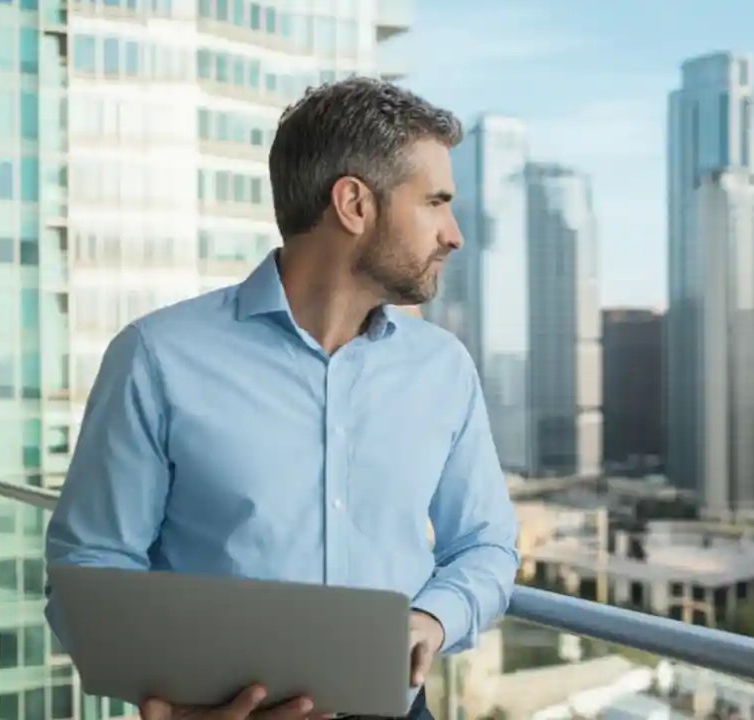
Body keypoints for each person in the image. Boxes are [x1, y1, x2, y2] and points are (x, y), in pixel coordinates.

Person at [43, 78, 521, 720]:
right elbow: (91, 566)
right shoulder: (157, 358)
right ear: (354, 203)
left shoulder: (443, 369)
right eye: (435, 202)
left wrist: (433, 619)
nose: (453, 233)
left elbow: (486, 545)